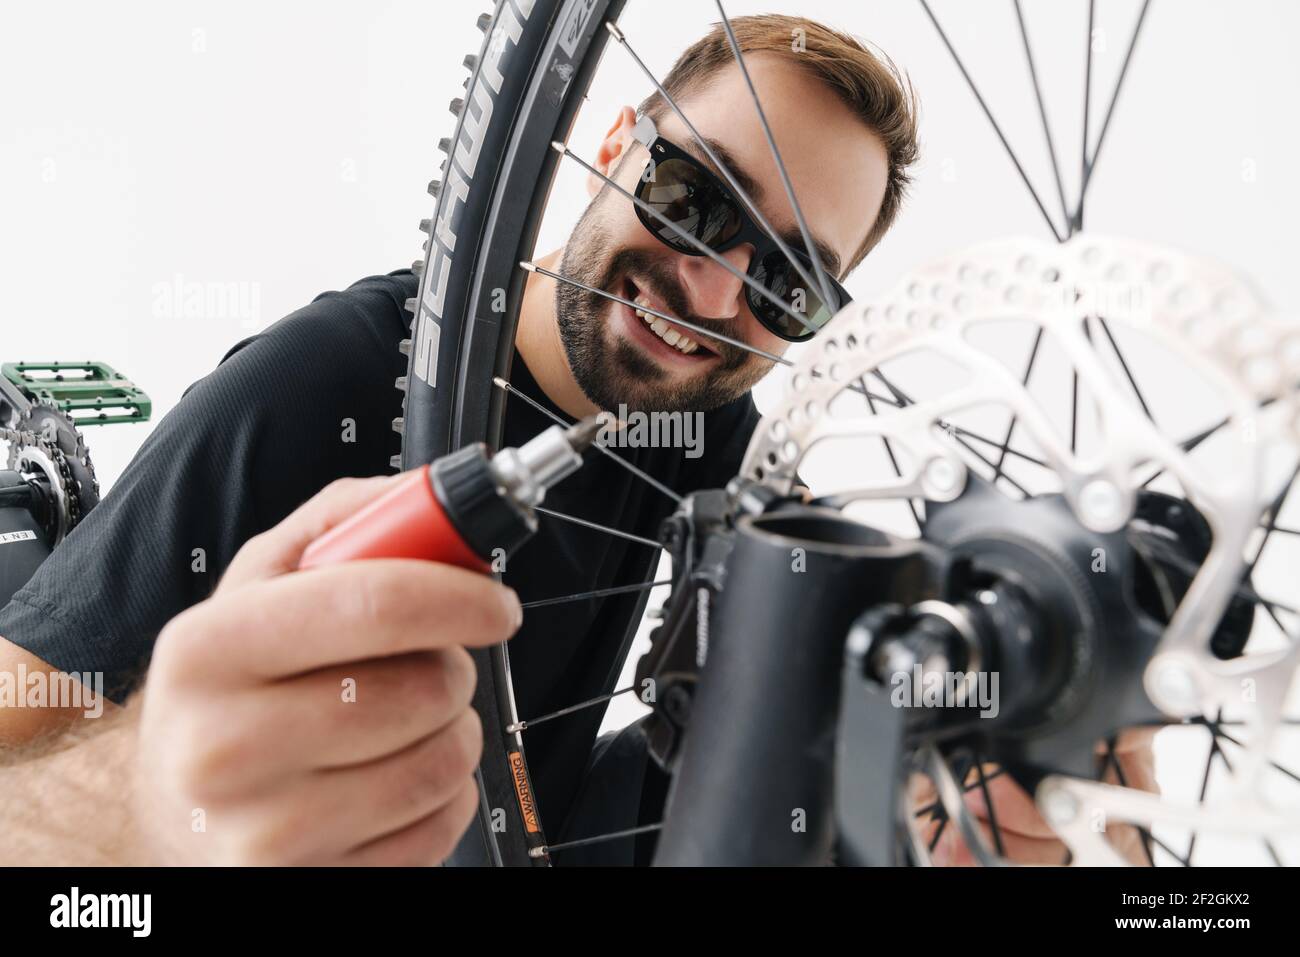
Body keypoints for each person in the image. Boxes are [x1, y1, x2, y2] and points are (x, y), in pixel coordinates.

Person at [0, 13, 1141, 866]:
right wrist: (153, 798)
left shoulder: (706, 423)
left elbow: (658, 758)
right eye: (696, 201)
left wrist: (913, 779)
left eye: (786, 281)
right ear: (613, 142)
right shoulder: (331, 381)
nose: (710, 293)